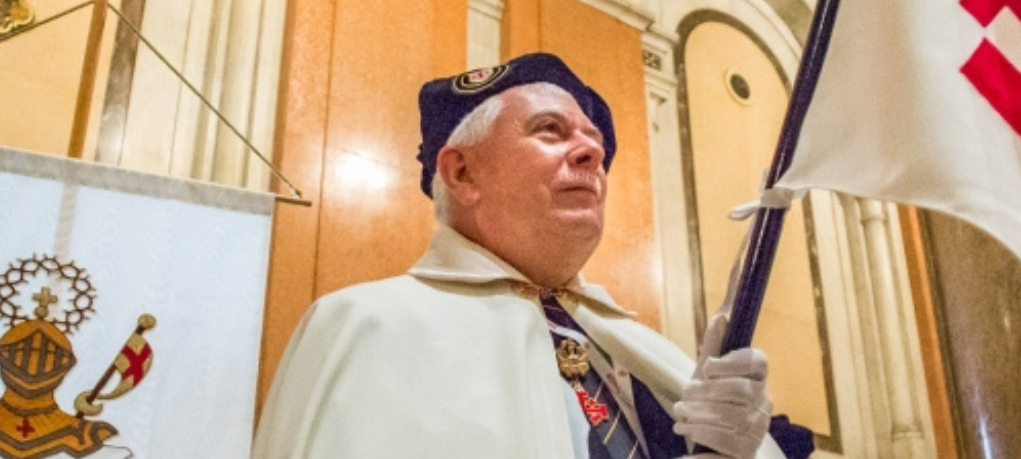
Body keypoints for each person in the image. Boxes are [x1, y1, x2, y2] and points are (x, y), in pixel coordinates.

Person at [253, 53, 782, 459]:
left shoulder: (647, 354)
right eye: (550, 129)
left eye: (593, 139)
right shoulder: (367, 327)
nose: (593, 152)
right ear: (463, 173)